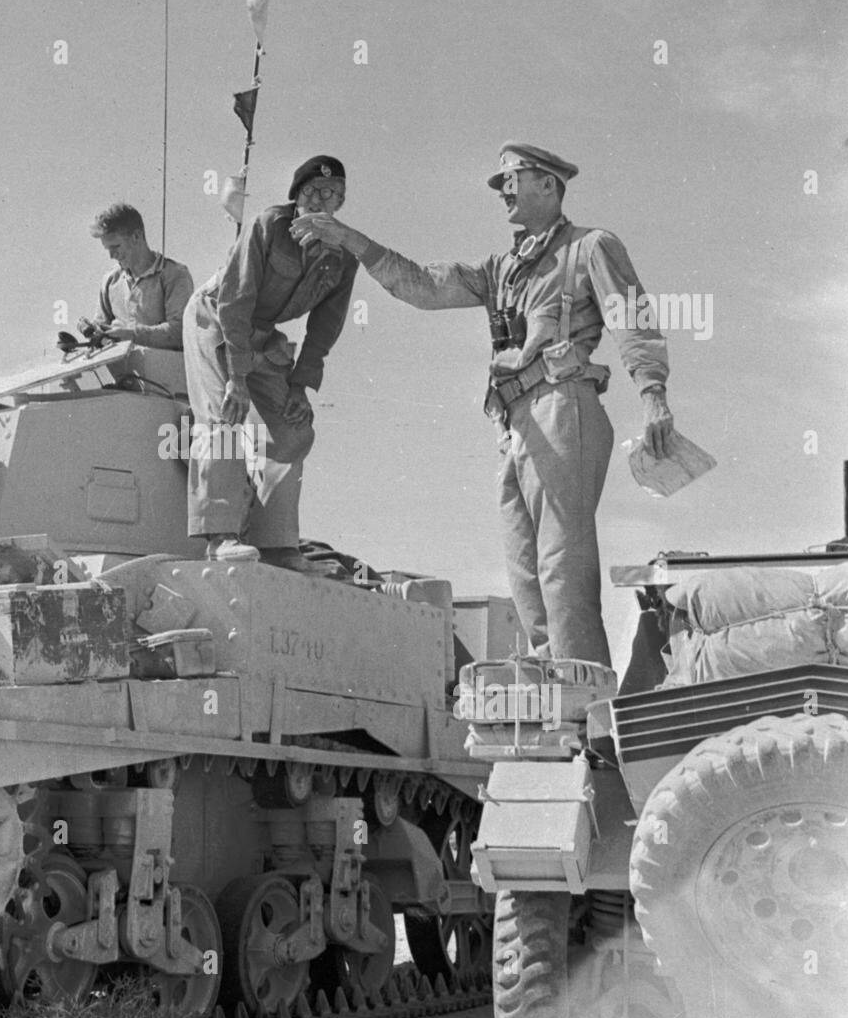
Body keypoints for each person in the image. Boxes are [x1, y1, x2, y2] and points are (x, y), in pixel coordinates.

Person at [291, 142, 674, 663]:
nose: (503, 193)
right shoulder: (501, 269)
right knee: (524, 566)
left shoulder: (592, 247)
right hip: (514, 420)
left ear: (549, 184)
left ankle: (583, 688)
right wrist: (349, 239)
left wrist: (652, 393)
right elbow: (423, 285)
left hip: (563, 404)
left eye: (512, 180)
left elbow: (633, 319)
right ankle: (551, 681)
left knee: (561, 560)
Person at [185, 155, 359, 570]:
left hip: (263, 330)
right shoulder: (268, 226)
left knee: (293, 427)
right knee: (223, 418)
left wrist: (299, 385)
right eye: (314, 191)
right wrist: (238, 379)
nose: (322, 201)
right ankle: (221, 535)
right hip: (216, 318)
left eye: (333, 195)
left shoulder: (343, 256)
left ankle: (278, 543)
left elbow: (325, 327)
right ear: (296, 195)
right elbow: (236, 298)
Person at [89, 202, 194, 350]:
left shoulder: (174, 274)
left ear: (136, 236)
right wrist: (93, 332)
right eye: (107, 249)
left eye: (116, 247)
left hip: (163, 370)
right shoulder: (110, 281)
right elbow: (100, 326)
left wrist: (132, 335)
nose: (111, 256)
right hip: (120, 370)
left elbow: (180, 332)